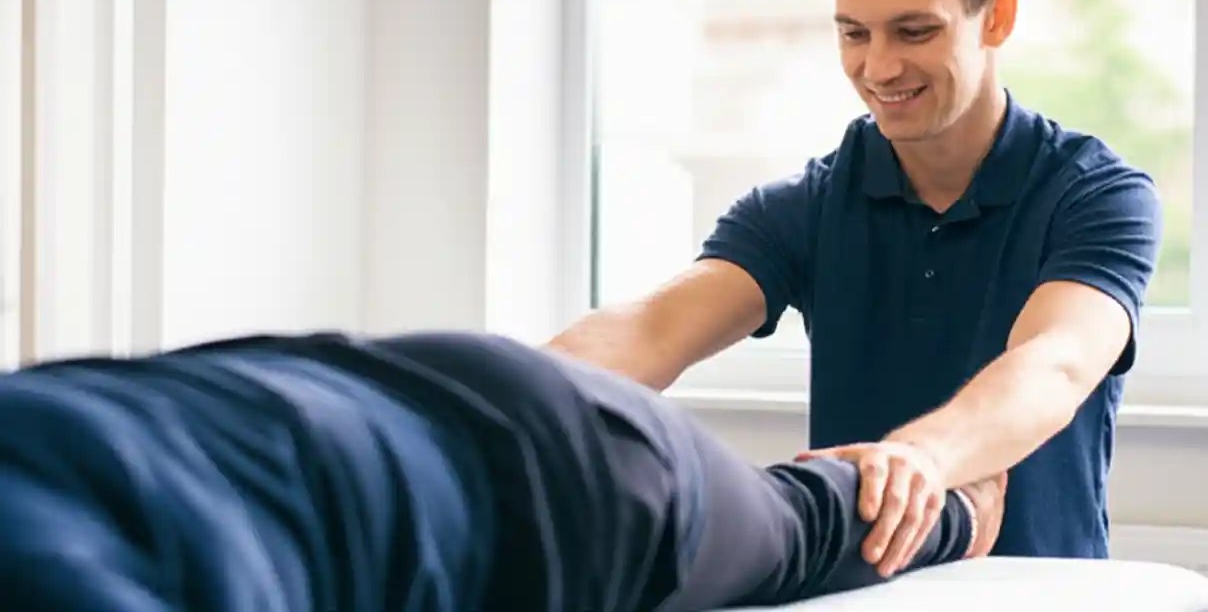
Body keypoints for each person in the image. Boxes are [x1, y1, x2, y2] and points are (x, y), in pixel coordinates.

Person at [546, 0, 1162, 576]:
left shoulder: (1097, 196)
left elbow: (1059, 362)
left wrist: (922, 459)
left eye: (914, 31)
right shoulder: (806, 207)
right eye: (854, 33)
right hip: (864, 594)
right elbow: (652, 328)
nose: (879, 68)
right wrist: (496, 403)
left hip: (1038, 593)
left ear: (996, 17)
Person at [0, 330, 1005, 612]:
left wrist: (937, 468)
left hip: (567, 481)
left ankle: (964, 513)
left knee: (799, 530)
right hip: (398, 377)